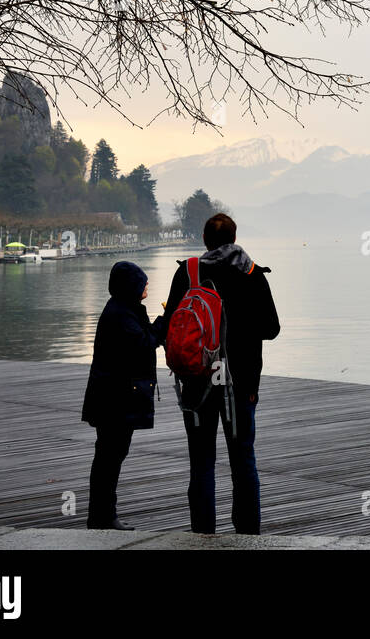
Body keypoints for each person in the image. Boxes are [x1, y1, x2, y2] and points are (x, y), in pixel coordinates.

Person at [160, 212, 280, 534]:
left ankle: (203, 534)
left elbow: (171, 324)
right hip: (239, 383)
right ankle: (248, 534)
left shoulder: (189, 272)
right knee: (243, 462)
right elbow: (272, 328)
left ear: (204, 241)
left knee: (201, 463)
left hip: (197, 381)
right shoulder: (251, 273)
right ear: (235, 238)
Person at [81, 261, 167, 530]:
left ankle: (102, 515)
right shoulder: (120, 314)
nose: (147, 286)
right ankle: (103, 517)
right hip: (113, 401)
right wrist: (166, 322)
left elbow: (146, 336)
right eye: (143, 282)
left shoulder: (124, 310)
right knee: (109, 457)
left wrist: (161, 323)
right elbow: (145, 343)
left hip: (111, 398)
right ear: (131, 286)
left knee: (110, 456)